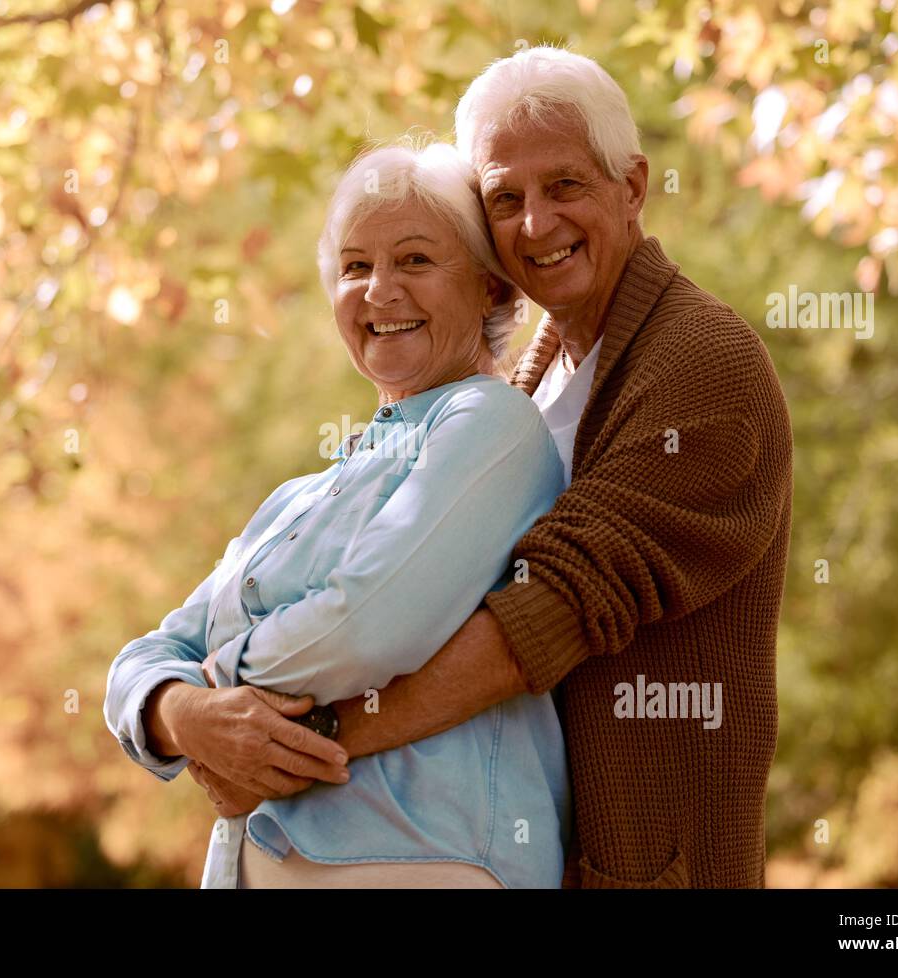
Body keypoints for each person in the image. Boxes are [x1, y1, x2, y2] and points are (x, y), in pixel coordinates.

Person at [169, 46, 794, 889]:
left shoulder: (699, 363)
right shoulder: (531, 375)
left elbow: (538, 622)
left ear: (634, 187)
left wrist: (286, 743)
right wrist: (187, 714)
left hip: (655, 865)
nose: (535, 224)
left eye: (565, 186)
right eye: (505, 198)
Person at [104, 142, 570, 888]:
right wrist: (181, 714)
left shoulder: (491, 423)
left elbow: (370, 621)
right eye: (356, 267)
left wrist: (216, 685)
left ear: (489, 289)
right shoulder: (294, 499)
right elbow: (143, 656)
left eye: (414, 260)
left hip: (423, 858)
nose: (379, 290)